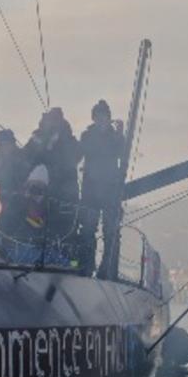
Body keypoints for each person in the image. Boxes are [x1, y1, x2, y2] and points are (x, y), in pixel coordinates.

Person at [79, 99, 125, 275]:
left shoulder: (115, 138)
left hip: (109, 191)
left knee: (111, 232)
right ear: (94, 118)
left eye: (104, 117)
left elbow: (122, 153)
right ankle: (87, 266)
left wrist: (120, 134)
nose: (101, 120)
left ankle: (108, 269)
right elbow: (81, 153)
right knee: (88, 229)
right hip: (91, 190)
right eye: (98, 117)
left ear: (108, 118)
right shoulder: (87, 136)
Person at [23, 108, 81, 243]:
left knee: (64, 229)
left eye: (55, 120)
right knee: (35, 225)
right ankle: (35, 252)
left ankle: (68, 261)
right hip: (40, 195)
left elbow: (74, 158)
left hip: (64, 195)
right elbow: (25, 157)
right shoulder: (37, 138)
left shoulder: (69, 140)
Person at [0, 128, 30, 236]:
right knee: (2, 237)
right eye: (0, 145)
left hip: (25, 206)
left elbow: (25, 177)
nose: (3, 148)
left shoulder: (23, 157)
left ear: (12, 144)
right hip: (6, 206)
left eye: (6, 144)